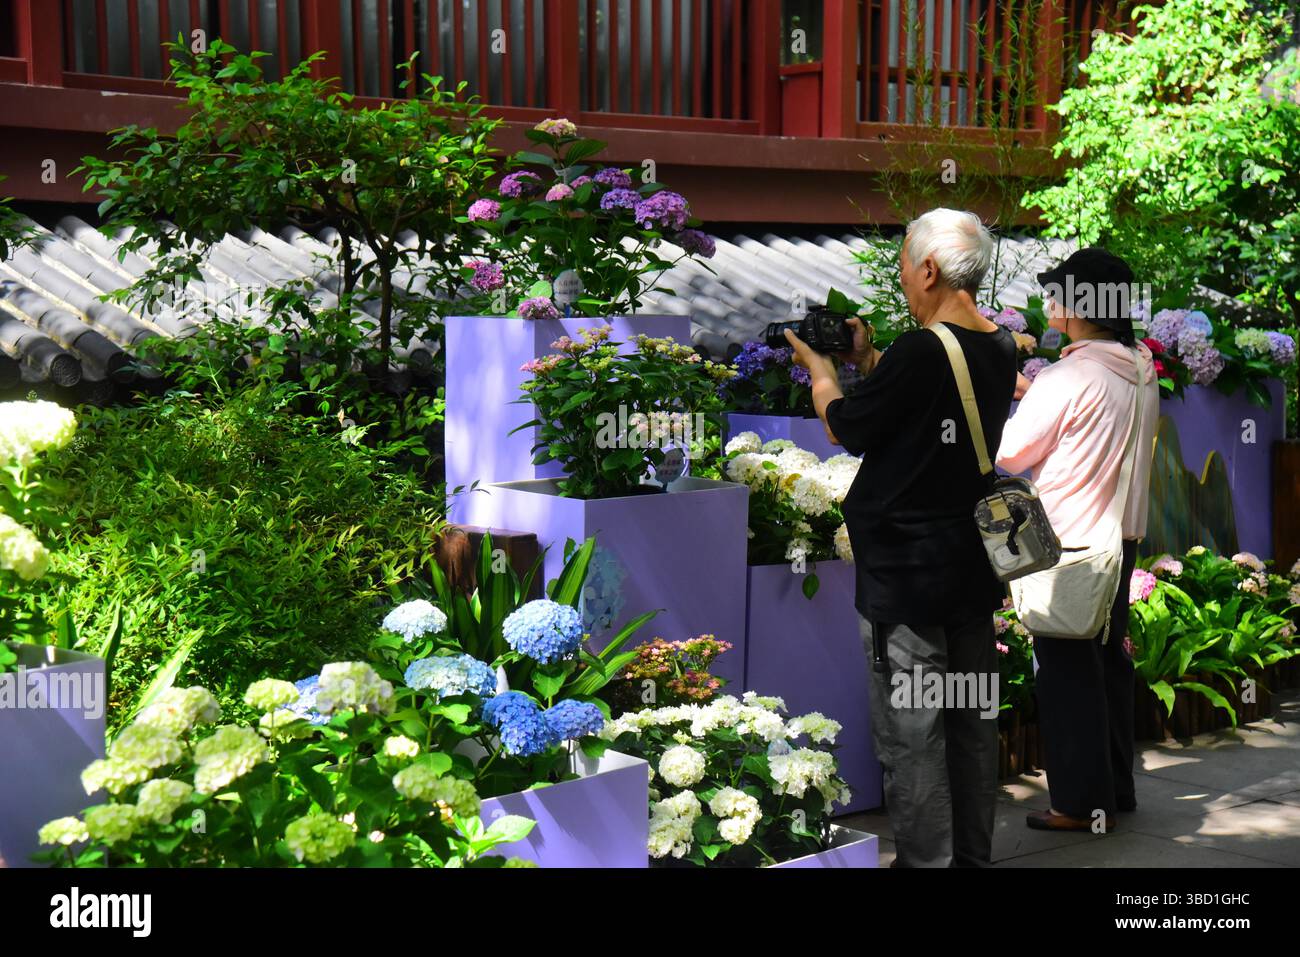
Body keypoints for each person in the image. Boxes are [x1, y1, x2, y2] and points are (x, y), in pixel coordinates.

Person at [786, 208, 1017, 867]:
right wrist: (868, 356)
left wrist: (823, 372)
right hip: (971, 577)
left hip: (908, 585)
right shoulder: (998, 346)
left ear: (930, 269)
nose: (905, 286)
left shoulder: (922, 351)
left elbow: (849, 426)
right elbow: (937, 396)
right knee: (971, 731)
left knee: (914, 739)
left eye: (905, 273)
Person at [996, 247, 1158, 832]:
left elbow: (1010, 454)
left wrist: (1016, 399)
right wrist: (1029, 392)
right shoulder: (1139, 365)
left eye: (1058, 290)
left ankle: (1078, 805)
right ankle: (1113, 790)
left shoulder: (1068, 375)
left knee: (1064, 673)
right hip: (1121, 539)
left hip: (1068, 544)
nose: (1049, 299)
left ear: (1084, 303)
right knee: (1107, 665)